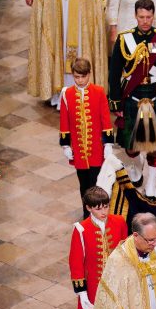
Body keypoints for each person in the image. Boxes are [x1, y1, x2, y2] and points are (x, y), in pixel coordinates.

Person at [109, 0, 156, 200]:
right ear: (135, 16)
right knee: (130, 146)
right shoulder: (124, 39)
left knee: (155, 147)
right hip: (132, 96)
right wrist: (115, 102)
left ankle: (151, 186)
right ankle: (136, 163)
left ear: (154, 16)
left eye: (149, 17)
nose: (145, 21)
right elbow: (114, 73)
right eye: (141, 17)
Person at [28, 0, 106, 104]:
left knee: (79, 54)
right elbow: (40, 0)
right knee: (58, 53)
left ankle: (81, 93)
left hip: (79, 25)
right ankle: (58, 96)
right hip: (56, 25)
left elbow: (93, 1)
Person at [59, 58, 113, 212]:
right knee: (83, 185)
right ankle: (86, 214)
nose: (80, 80)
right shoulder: (67, 94)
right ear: (72, 75)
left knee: (96, 184)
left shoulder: (99, 92)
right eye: (77, 77)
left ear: (89, 74)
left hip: (97, 148)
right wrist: (65, 146)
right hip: (79, 151)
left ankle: (98, 212)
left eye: (83, 76)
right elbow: (64, 121)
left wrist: (108, 144)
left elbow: (105, 119)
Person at [69, 187, 129, 309]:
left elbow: (126, 251)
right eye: (98, 209)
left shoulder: (119, 221)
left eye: (106, 207)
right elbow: (76, 263)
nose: (104, 212)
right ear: (88, 208)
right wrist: (82, 292)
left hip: (117, 280)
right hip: (94, 284)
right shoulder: (81, 229)